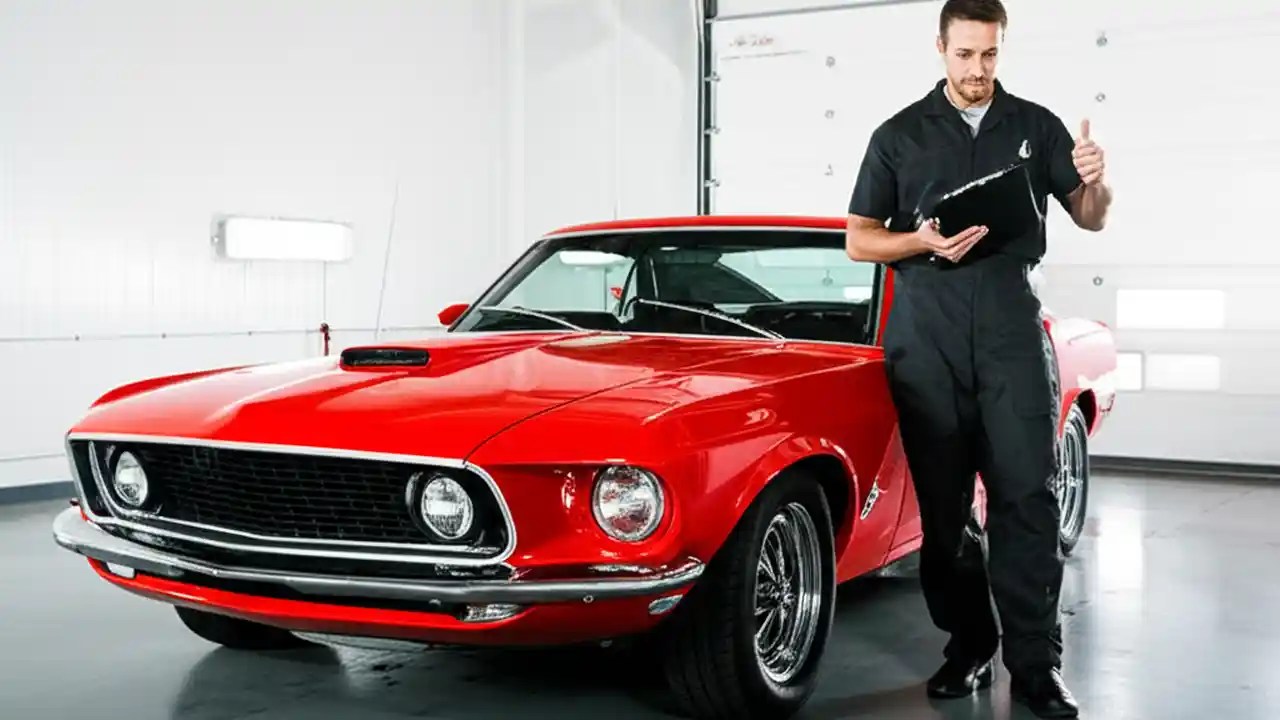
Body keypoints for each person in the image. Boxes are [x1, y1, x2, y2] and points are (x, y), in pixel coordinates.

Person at [844, 1, 1111, 718]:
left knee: (1027, 499)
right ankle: (968, 646)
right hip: (926, 335)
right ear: (941, 48)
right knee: (945, 513)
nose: (977, 70)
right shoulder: (897, 135)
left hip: (1010, 331)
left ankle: (1035, 666)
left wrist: (1092, 179)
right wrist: (920, 243)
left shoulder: (1035, 127)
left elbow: (1089, 215)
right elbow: (861, 240)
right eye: (965, 55)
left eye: (989, 55)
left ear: (1002, 47)